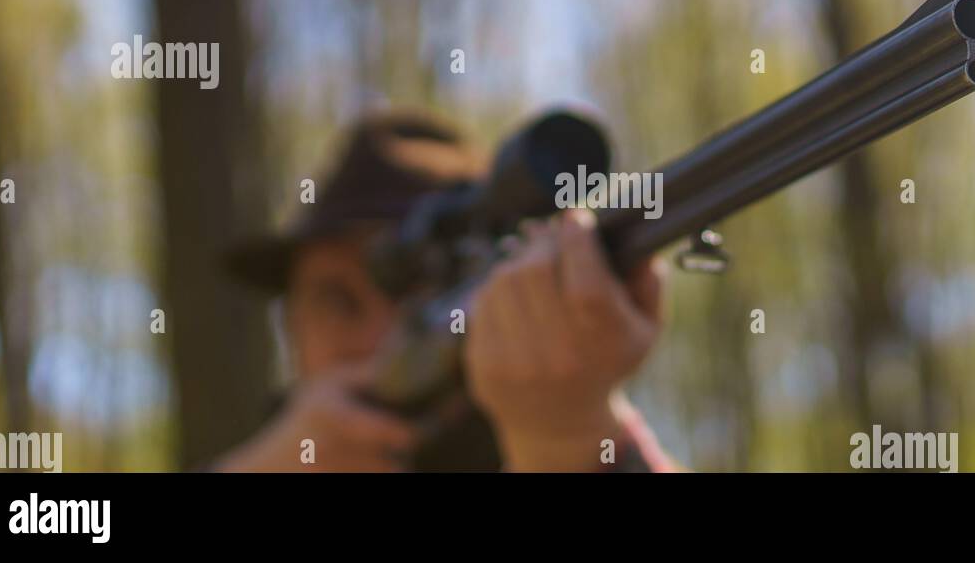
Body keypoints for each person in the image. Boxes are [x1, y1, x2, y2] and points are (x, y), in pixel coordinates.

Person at [212, 112, 676, 472]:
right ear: (292, 322)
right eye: (338, 301)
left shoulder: (564, 430)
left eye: (416, 295)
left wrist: (570, 447)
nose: (380, 336)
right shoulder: (274, 454)